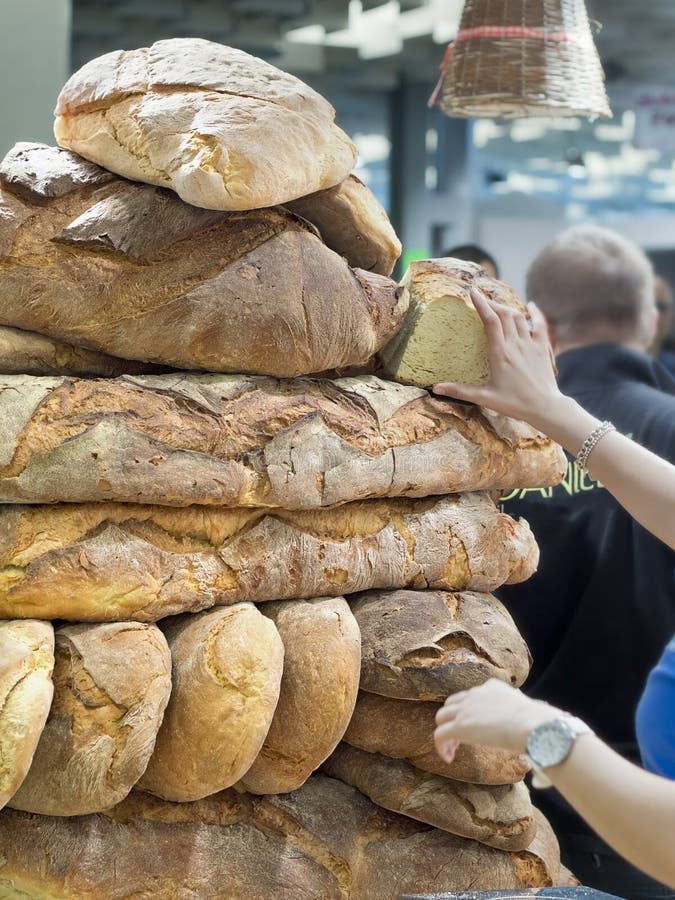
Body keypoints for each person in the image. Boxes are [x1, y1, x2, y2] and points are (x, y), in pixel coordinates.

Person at [436, 226, 675, 900]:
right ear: (648, 319)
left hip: (574, 804)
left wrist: (544, 733)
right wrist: (556, 415)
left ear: (540, 319)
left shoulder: (471, 442)